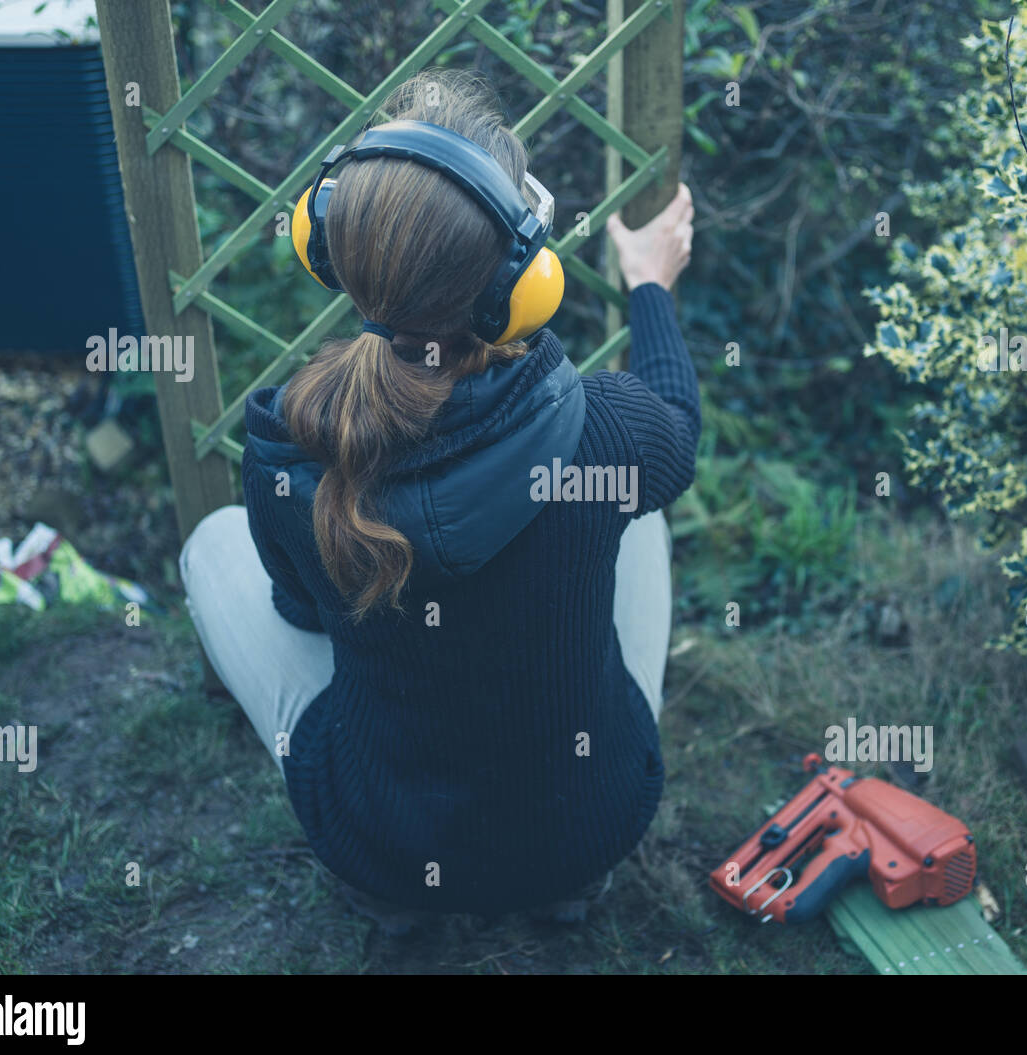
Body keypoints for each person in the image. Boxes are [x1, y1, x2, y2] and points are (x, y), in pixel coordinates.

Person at [179, 70, 698, 931]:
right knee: (636, 514)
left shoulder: (286, 447)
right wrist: (650, 283)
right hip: (589, 827)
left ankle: (399, 904)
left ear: (330, 244)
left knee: (212, 542)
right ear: (520, 284)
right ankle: (566, 889)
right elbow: (677, 423)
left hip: (381, 841)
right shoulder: (604, 433)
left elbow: (299, 614)